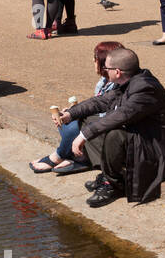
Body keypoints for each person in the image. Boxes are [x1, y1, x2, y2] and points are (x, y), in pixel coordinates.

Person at [59, 48, 165, 208]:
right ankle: (109, 174)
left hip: (157, 152)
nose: (104, 71)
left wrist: (84, 135)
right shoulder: (130, 81)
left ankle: (114, 184)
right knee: (87, 120)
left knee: (114, 133)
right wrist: (71, 113)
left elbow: (122, 115)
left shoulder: (145, 88)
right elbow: (101, 102)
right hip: (140, 139)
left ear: (117, 72)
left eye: (107, 68)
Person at [32, 41, 126, 174]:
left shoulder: (120, 85)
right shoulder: (104, 81)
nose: (93, 61)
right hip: (99, 125)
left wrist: (77, 117)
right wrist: (72, 112)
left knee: (74, 127)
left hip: (110, 132)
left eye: (95, 59)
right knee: (65, 121)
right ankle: (80, 156)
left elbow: (108, 115)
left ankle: (61, 156)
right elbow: (96, 103)